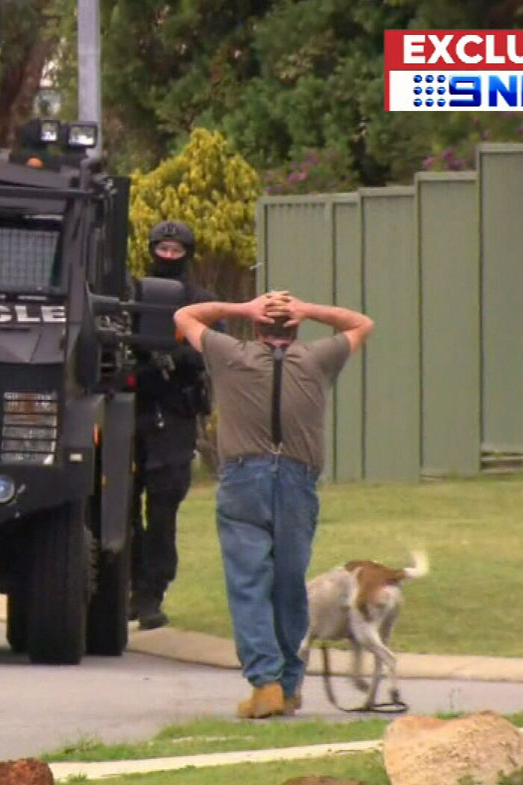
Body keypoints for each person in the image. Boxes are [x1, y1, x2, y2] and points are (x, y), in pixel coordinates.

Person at [173, 290, 373, 719]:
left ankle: (265, 684)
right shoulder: (318, 358)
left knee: (249, 583)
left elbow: (184, 315)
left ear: (257, 326)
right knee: (289, 584)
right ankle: (289, 685)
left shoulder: (230, 354)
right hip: (299, 481)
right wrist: (310, 307)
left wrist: (240, 307)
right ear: (296, 326)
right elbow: (361, 324)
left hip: (244, 478)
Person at [128, 221, 214, 630]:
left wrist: (178, 358)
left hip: (174, 415)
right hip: (129, 411)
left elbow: (217, 351)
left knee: (162, 510)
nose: (167, 256)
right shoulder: (129, 295)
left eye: (175, 250)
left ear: (188, 253)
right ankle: (124, 586)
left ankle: (151, 594)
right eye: (161, 248)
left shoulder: (202, 303)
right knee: (121, 506)